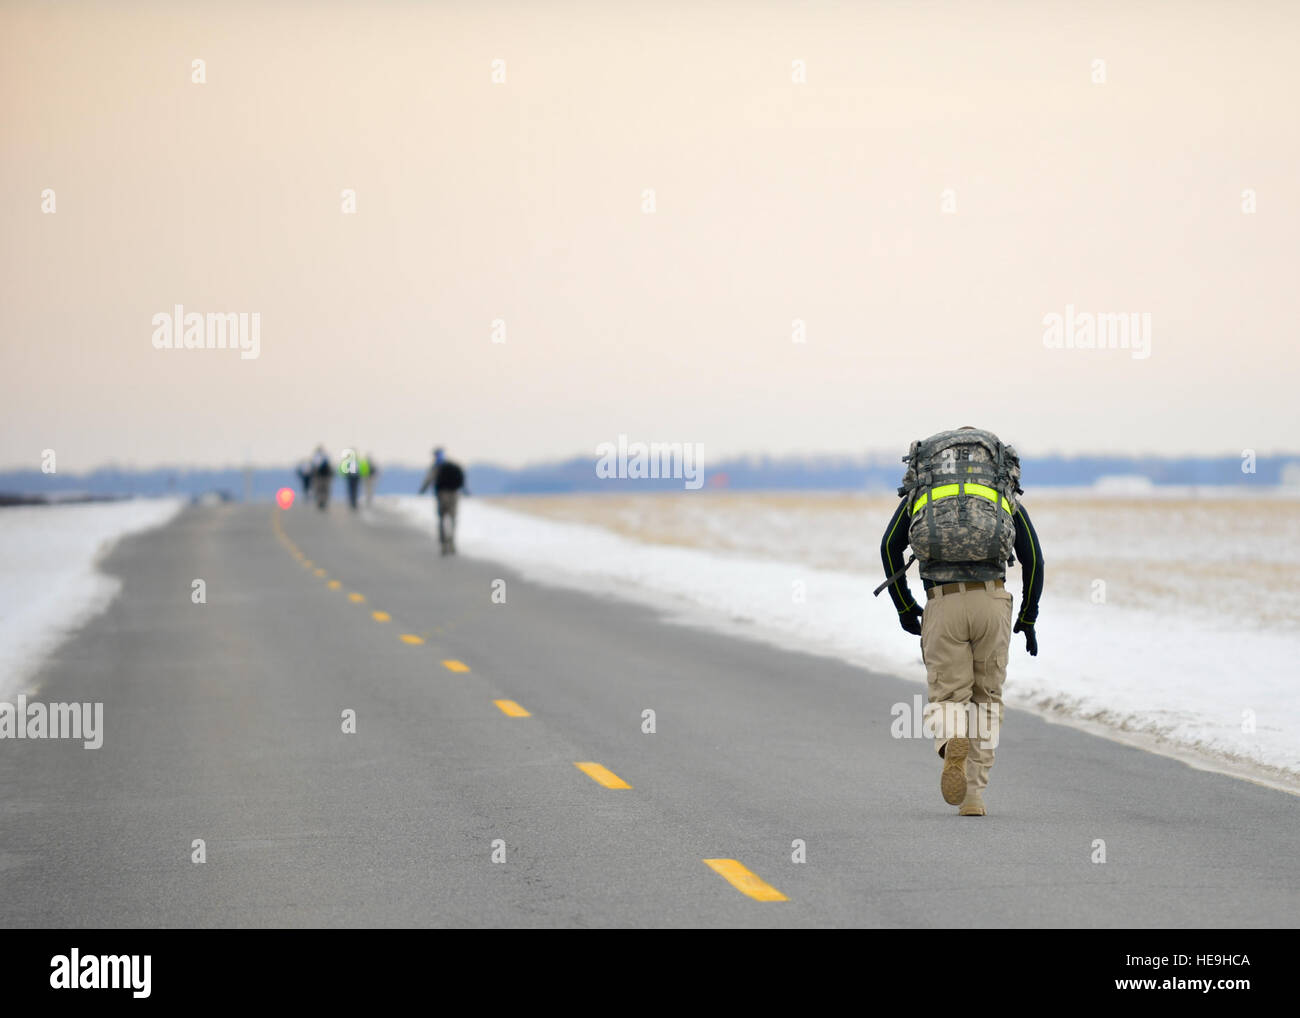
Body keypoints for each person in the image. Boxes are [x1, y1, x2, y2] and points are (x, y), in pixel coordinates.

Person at [878, 426, 1043, 817]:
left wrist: (904, 606)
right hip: (991, 601)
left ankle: (953, 738)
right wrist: (1028, 616)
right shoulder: (1001, 496)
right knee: (986, 699)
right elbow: (1034, 558)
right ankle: (973, 796)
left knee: (949, 696)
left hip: (943, 603)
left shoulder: (926, 495)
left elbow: (889, 547)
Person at [418, 447, 468, 555]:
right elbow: (462, 479)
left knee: (442, 518)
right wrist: (465, 490)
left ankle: (444, 543)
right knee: (453, 518)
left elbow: (429, 478)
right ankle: (452, 541)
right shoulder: (452, 465)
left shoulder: (436, 466)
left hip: (442, 494)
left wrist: (423, 489)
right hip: (454, 493)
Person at [310, 445, 332, 510]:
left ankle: (321, 501)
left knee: (320, 489)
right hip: (322, 477)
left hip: (320, 477)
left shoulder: (317, 458)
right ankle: (322, 501)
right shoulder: (325, 457)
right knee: (323, 489)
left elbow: (313, 469)